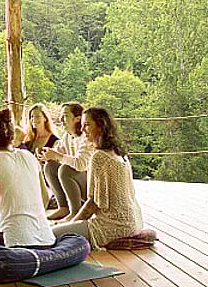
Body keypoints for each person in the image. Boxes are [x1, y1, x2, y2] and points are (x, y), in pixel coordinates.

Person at [0, 108, 89, 283]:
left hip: (16, 243)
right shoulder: (28, 156)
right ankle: (48, 259)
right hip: (46, 240)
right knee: (78, 243)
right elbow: (45, 198)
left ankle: (24, 261)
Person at [47, 107, 145, 249]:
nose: (83, 129)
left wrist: (73, 223)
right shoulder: (120, 153)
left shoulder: (99, 156)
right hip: (134, 221)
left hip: (113, 226)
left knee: (49, 236)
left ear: (101, 126)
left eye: (87, 125)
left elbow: (93, 204)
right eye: (82, 125)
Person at [40, 102, 89, 221]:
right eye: (61, 115)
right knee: (50, 166)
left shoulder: (86, 137)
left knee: (65, 169)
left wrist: (57, 155)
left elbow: (81, 165)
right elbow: (57, 152)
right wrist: (45, 154)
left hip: (91, 186)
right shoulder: (68, 136)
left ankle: (75, 212)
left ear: (77, 119)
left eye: (65, 116)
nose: (61, 119)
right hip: (80, 181)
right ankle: (63, 207)